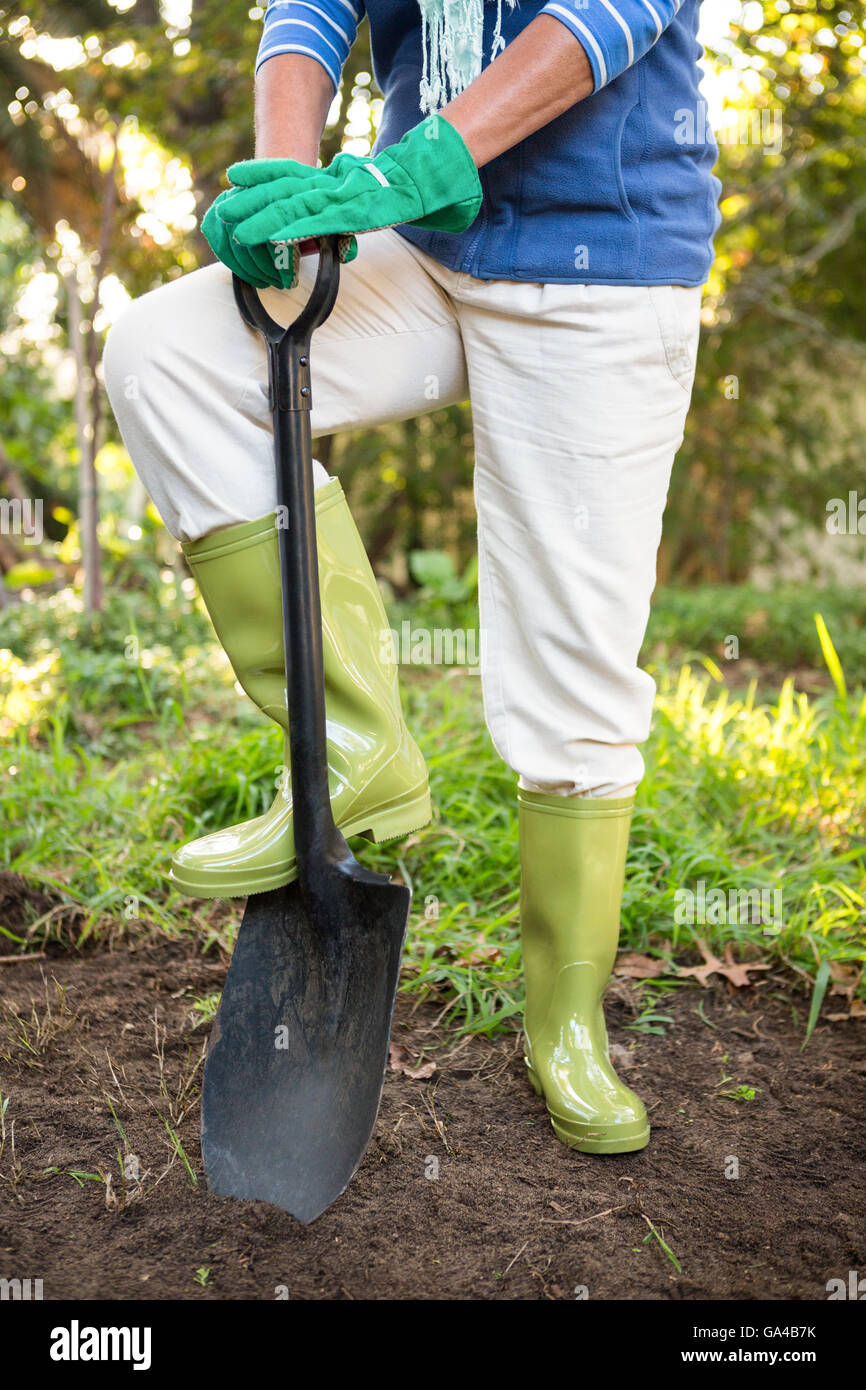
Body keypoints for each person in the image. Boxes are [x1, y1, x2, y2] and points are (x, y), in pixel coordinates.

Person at [104, 0, 720, 1155]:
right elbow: (311, 10)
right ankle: (353, 750)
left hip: (599, 263)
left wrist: (423, 157)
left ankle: (566, 1029)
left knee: (572, 669)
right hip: (423, 247)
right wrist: (289, 188)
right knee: (165, 355)